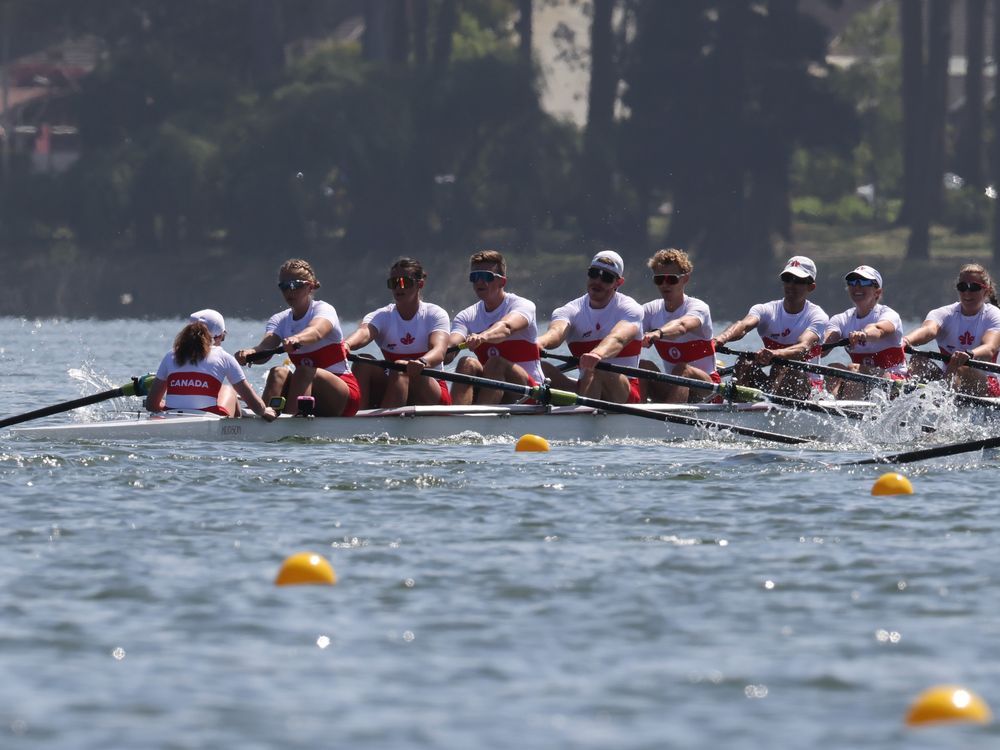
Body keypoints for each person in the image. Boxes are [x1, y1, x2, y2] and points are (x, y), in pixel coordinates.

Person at [234, 258, 361, 416]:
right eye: (284, 286)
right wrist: (249, 354)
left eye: (294, 285)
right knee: (278, 372)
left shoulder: (324, 309)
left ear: (309, 286)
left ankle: (292, 423)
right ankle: (264, 419)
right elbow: (265, 348)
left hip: (344, 394)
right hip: (309, 389)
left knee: (302, 372)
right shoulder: (279, 320)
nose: (289, 291)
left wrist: (297, 339)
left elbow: (316, 332)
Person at [713, 255, 829, 400]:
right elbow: (743, 326)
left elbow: (803, 347)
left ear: (811, 287)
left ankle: (771, 409)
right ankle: (738, 408)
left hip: (808, 388)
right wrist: (719, 340)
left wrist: (775, 353)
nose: (791, 285)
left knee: (791, 368)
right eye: (787, 279)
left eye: (798, 281)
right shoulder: (766, 310)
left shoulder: (817, 316)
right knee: (745, 361)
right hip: (776, 383)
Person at [536, 251, 643, 403]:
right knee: (540, 367)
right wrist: (539, 343)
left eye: (606, 277)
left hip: (624, 393)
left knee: (599, 367)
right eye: (594, 274)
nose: (598, 281)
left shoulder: (630, 309)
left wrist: (597, 354)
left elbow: (618, 338)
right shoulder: (570, 310)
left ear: (618, 283)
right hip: (585, 386)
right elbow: (556, 332)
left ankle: (580, 417)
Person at [344, 257, 452, 408]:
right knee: (363, 361)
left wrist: (422, 362)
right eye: (394, 283)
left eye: (405, 282)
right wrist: (346, 345)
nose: (398, 287)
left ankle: (387, 425)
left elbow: (439, 351)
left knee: (400, 367)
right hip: (395, 383)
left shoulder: (435, 314)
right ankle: (354, 421)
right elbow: (364, 333)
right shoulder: (382, 316)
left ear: (419, 284)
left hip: (431, 389)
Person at [446, 249, 543, 405]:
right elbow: (453, 343)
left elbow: (506, 327)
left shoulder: (522, 305)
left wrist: (483, 336)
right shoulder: (466, 316)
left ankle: (479, 420)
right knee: (466, 362)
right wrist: (438, 353)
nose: (479, 282)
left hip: (531, 392)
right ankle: (458, 422)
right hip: (494, 390)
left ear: (502, 282)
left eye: (486, 277)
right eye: (474, 277)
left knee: (495, 362)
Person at [146, 318, 277, 421]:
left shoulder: (170, 355)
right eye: (223, 337)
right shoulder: (224, 357)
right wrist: (264, 411)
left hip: (170, 417)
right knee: (228, 390)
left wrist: (176, 409)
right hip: (209, 419)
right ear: (219, 336)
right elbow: (256, 406)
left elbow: (151, 405)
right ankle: (237, 432)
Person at [901, 263, 1000, 396]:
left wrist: (969, 354)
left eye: (974, 287)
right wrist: (905, 340)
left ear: (986, 291)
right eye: (962, 287)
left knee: (961, 368)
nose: (967, 292)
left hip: (987, 384)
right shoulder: (945, 313)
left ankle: (942, 406)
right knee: (918, 361)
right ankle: (913, 402)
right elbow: (928, 330)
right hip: (950, 378)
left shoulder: (994, 315)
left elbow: (990, 347)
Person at [639, 248, 718, 403]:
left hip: (708, 390)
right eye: (659, 279)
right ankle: (634, 417)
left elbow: (681, 326)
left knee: (682, 369)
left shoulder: (698, 307)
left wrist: (657, 333)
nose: (665, 284)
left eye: (671, 279)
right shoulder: (650, 310)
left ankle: (670, 422)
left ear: (685, 279)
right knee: (643, 366)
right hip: (674, 387)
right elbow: (627, 330)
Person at [822, 265, 907, 399]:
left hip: (896, 381)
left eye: (864, 282)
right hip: (864, 381)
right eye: (852, 282)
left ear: (877, 292)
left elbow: (879, 330)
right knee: (833, 368)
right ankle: (831, 407)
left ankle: (849, 410)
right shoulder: (841, 319)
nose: (857, 287)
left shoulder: (889, 314)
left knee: (854, 369)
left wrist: (864, 334)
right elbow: (823, 347)